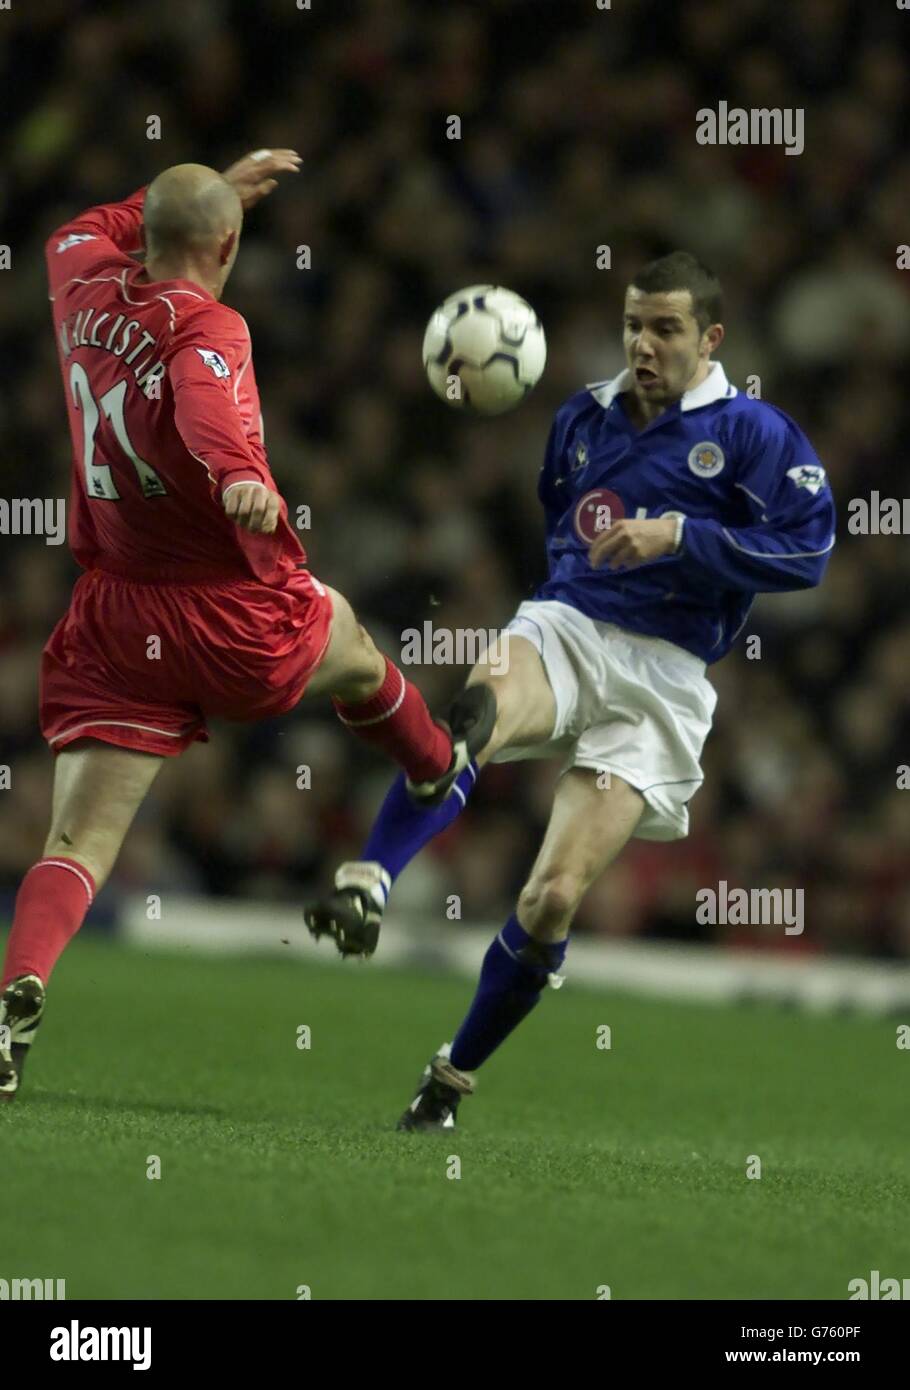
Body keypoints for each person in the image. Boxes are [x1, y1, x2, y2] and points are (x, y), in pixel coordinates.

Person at [0, 151, 494, 1102]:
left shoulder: (74, 269)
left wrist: (200, 185)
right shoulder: (212, 324)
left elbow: (95, 225)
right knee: (348, 638)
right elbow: (203, 404)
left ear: (144, 232)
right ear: (229, 244)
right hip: (227, 617)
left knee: (78, 845)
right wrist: (243, 479)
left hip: (116, 613)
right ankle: (437, 764)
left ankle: (17, 991)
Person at [304, 252, 837, 1132]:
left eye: (665, 328)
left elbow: (807, 555)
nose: (643, 343)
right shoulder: (580, 418)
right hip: (572, 626)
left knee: (551, 898)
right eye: (634, 324)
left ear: (711, 338)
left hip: (666, 679)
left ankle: (448, 1082)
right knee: (475, 714)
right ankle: (370, 879)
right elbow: (563, 526)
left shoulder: (756, 434)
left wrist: (680, 535)